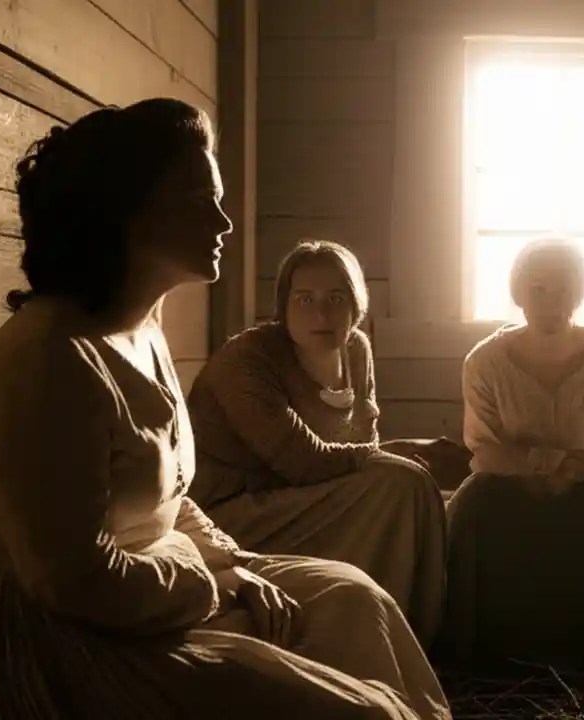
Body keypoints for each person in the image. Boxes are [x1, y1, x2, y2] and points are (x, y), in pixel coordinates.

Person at [0, 98, 448, 720]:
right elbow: (73, 579)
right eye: (203, 201)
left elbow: (166, 500)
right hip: (46, 636)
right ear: (132, 211)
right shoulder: (48, 363)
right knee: (359, 713)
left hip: (145, 584)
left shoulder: (143, 329)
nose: (226, 222)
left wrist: (231, 559)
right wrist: (209, 583)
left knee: (350, 598)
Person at [186, 239, 447, 643]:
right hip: (232, 514)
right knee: (397, 483)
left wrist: (391, 455)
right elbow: (300, 459)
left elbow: (363, 439)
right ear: (283, 306)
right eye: (305, 299)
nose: (322, 313)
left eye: (336, 298)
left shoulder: (355, 349)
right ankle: (374, 635)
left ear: (357, 305)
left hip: (308, 497)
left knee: (410, 481)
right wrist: (383, 455)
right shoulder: (248, 360)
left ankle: (417, 636)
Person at [435, 237, 584, 671]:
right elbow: (484, 449)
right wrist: (543, 465)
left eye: (562, 288)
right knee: (476, 500)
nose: (549, 301)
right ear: (518, 292)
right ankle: (481, 658)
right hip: (509, 489)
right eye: (537, 289)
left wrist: (562, 471)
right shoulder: (485, 361)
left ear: (579, 292)